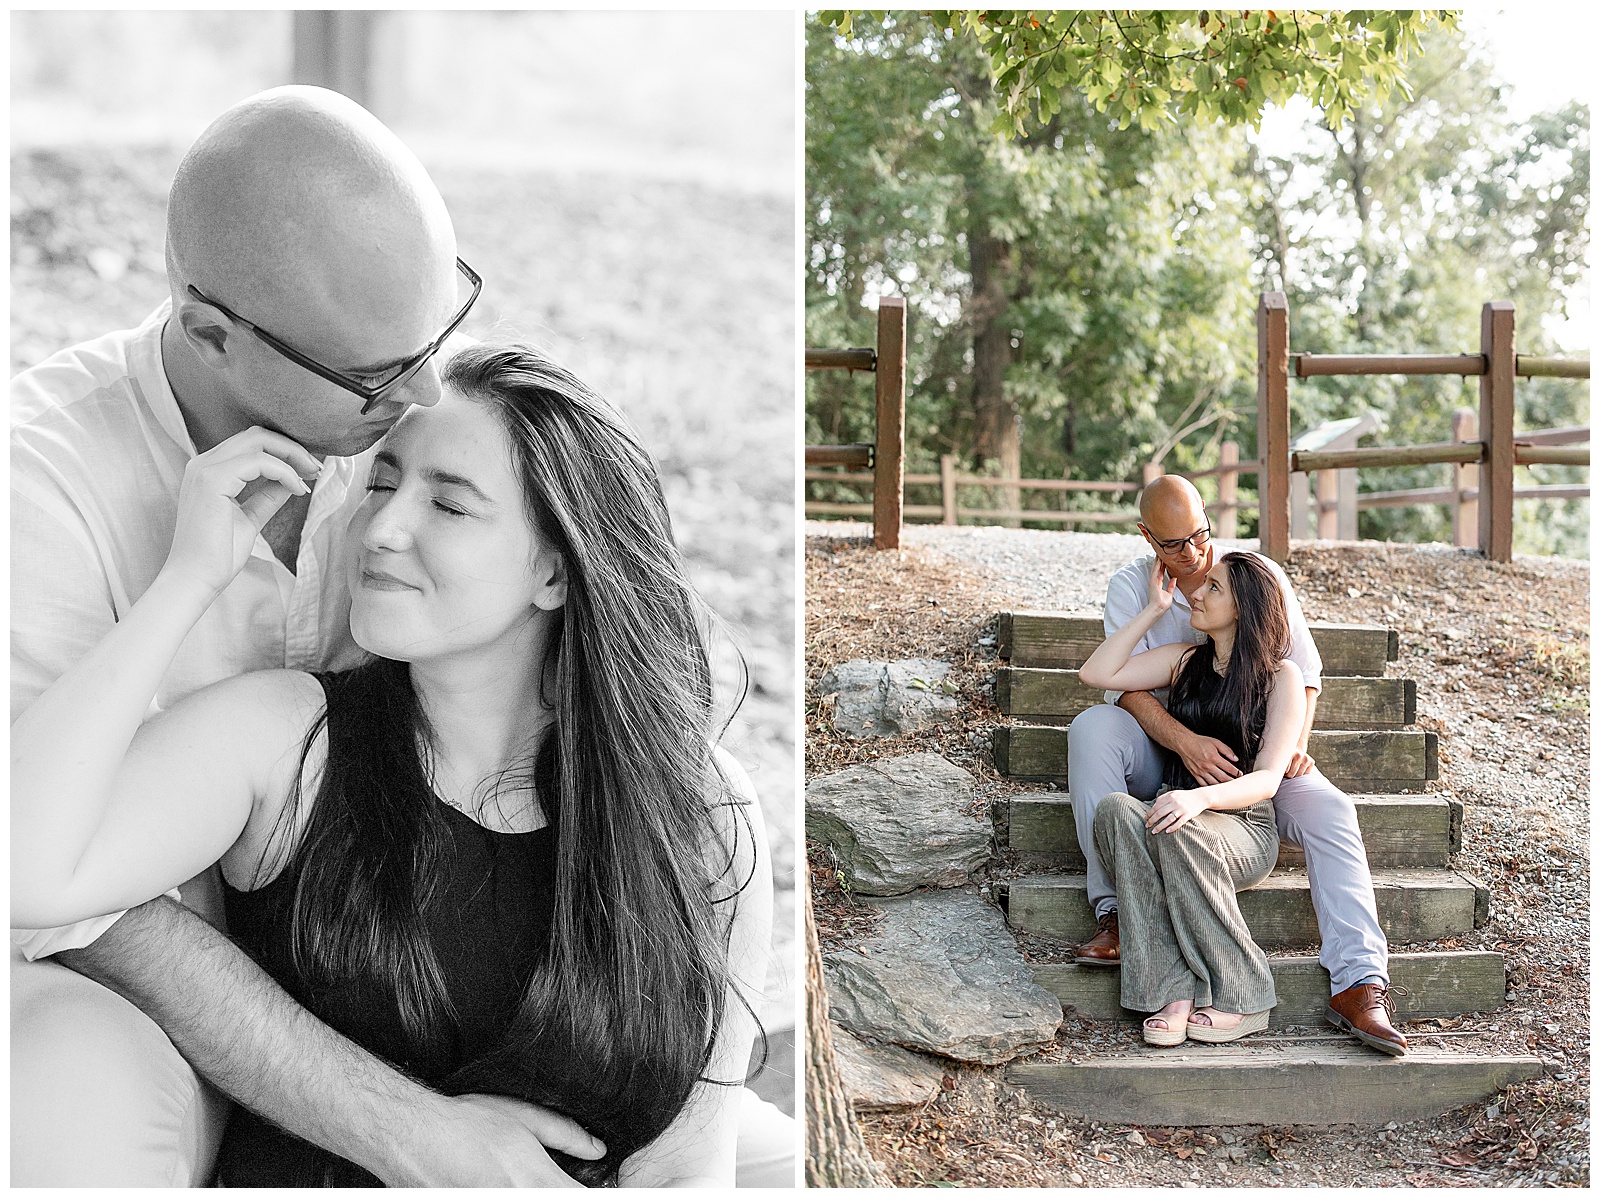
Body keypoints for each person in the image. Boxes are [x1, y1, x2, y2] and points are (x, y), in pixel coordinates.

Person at [10, 85, 794, 1186]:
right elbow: (39, 883)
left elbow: (688, 1150)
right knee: (73, 1094)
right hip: (126, 997)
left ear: (556, 569)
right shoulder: (43, 495)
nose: (421, 392)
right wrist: (186, 580)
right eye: (379, 394)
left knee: (773, 1155)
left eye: (437, 332)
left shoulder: (697, 807)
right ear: (213, 336)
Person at [1065, 475, 1407, 1056]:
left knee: (1331, 810)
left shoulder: (1253, 576)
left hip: (1252, 768)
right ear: (1148, 537)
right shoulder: (1144, 600)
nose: (1193, 555)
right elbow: (1113, 685)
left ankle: (1359, 981)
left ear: (1208, 516)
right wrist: (1186, 742)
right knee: (1093, 732)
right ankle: (1120, 911)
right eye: (1174, 544)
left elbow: (1302, 673)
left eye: (1200, 535)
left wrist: (1290, 742)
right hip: (1166, 754)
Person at [1079, 553, 1297, 1044]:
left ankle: (1246, 993)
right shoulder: (1183, 660)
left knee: (1177, 827)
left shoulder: (1279, 676)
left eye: (1213, 587)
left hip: (1242, 824)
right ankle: (1170, 990)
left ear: (1244, 606)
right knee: (1115, 810)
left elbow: (1267, 780)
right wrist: (1153, 610)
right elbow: (1096, 673)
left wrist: (1199, 800)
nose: (1195, 593)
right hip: (1175, 814)